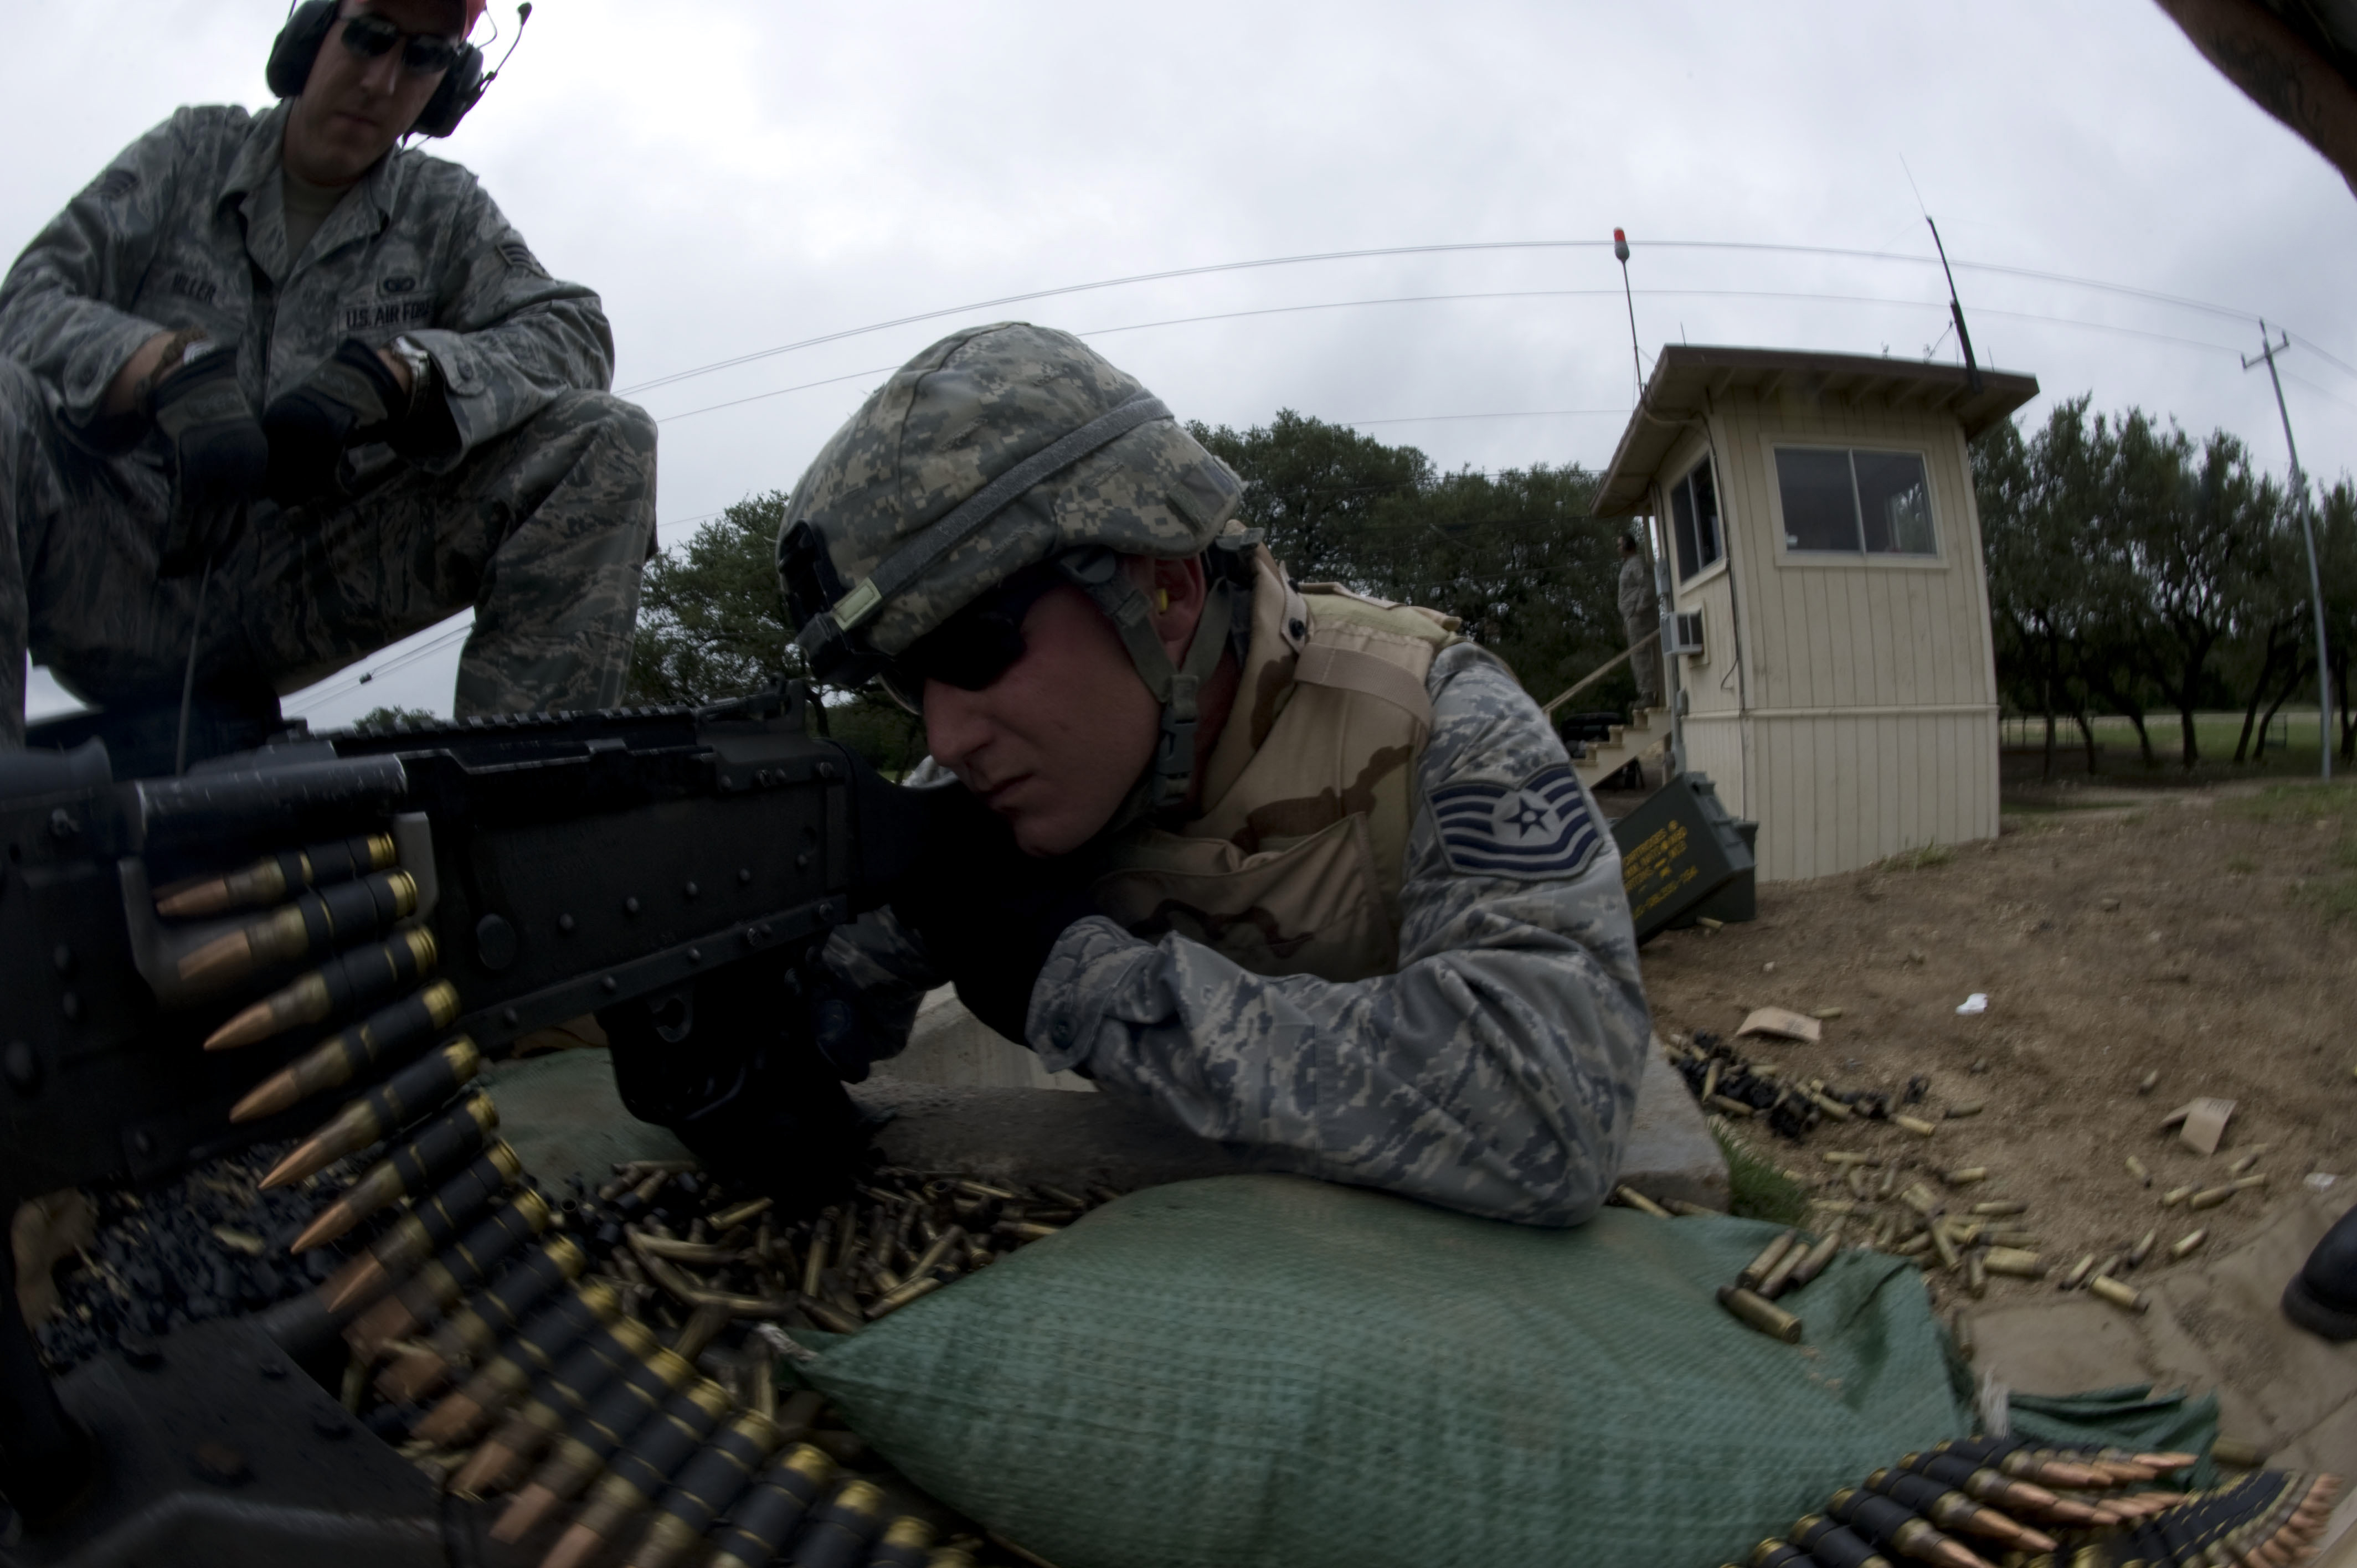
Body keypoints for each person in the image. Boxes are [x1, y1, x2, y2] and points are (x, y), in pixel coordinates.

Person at [772, 323, 1651, 1227]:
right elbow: (823, 1001)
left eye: (975, 649)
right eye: (906, 682)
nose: (948, 735)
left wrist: (1092, 991)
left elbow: (1553, 1114)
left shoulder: (1439, 719)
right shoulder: (987, 796)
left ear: (1166, 588)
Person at [0, 0, 656, 752]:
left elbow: (571, 332)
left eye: (424, 57)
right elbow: (26, 303)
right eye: (369, 37)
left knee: (607, 438)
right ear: (311, 35)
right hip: (122, 566)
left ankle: (523, 819)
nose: (381, 81)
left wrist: (401, 378)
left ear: (450, 83)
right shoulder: (188, 154)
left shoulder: (441, 210)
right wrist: (161, 369)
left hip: (308, 582)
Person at [1617, 530, 1662, 710]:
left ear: (1629, 546)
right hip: (1632, 618)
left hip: (1639, 618)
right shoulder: (1628, 565)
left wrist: (1639, 610)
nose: (1618, 549)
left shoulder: (1636, 564)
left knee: (1640, 656)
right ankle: (1645, 693)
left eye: (1620, 545)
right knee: (1637, 657)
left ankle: (1648, 694)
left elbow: (1648, 586)